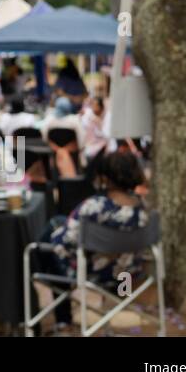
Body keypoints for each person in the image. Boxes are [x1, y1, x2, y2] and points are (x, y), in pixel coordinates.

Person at [32, 150, 150, 328]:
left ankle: (61, 317)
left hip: (92, 273)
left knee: (47, 244)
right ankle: (63, 317)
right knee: (58, 222)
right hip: (127, 273)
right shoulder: (143, 211)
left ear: (105, 178)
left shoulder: (94, 207)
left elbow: (64, 241)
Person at [81, 95, 109, 161]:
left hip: (103, 147)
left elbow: (106, 134)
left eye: (95, 105)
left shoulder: (107, 116)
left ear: (101, 107)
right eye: (92, 105)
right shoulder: (88, 115)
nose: (93, 107)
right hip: (90, 147)